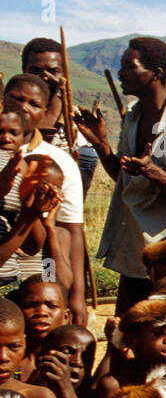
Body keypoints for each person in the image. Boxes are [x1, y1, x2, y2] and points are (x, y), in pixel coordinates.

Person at [74, 37, 166, 316]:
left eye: (129, 66)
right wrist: (102, 146)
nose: (121, 73)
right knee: (128, 334)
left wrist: (151, 170)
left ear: (156, 74)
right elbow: (125, 178)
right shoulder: (134, 118)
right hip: (135, 249)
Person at [20, 39, 93, 323]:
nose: (44, 77)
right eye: (35, 70)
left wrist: (76, 294)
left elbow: (70, 224)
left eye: (52, 70)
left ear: (64, 75)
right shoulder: (7, 131)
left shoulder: (78, 130)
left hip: (52, 248)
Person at [0, 78, 74, 297]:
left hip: (12, 285)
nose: (5, 138)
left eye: (14, 132)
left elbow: (35, 249)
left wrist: (32, 210)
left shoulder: (26, 169)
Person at [17, 278, 69, 379]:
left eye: (51, 306)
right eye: (31, 305)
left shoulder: (73, 361)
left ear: (66, 317)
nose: (41, 312)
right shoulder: (8, 361)